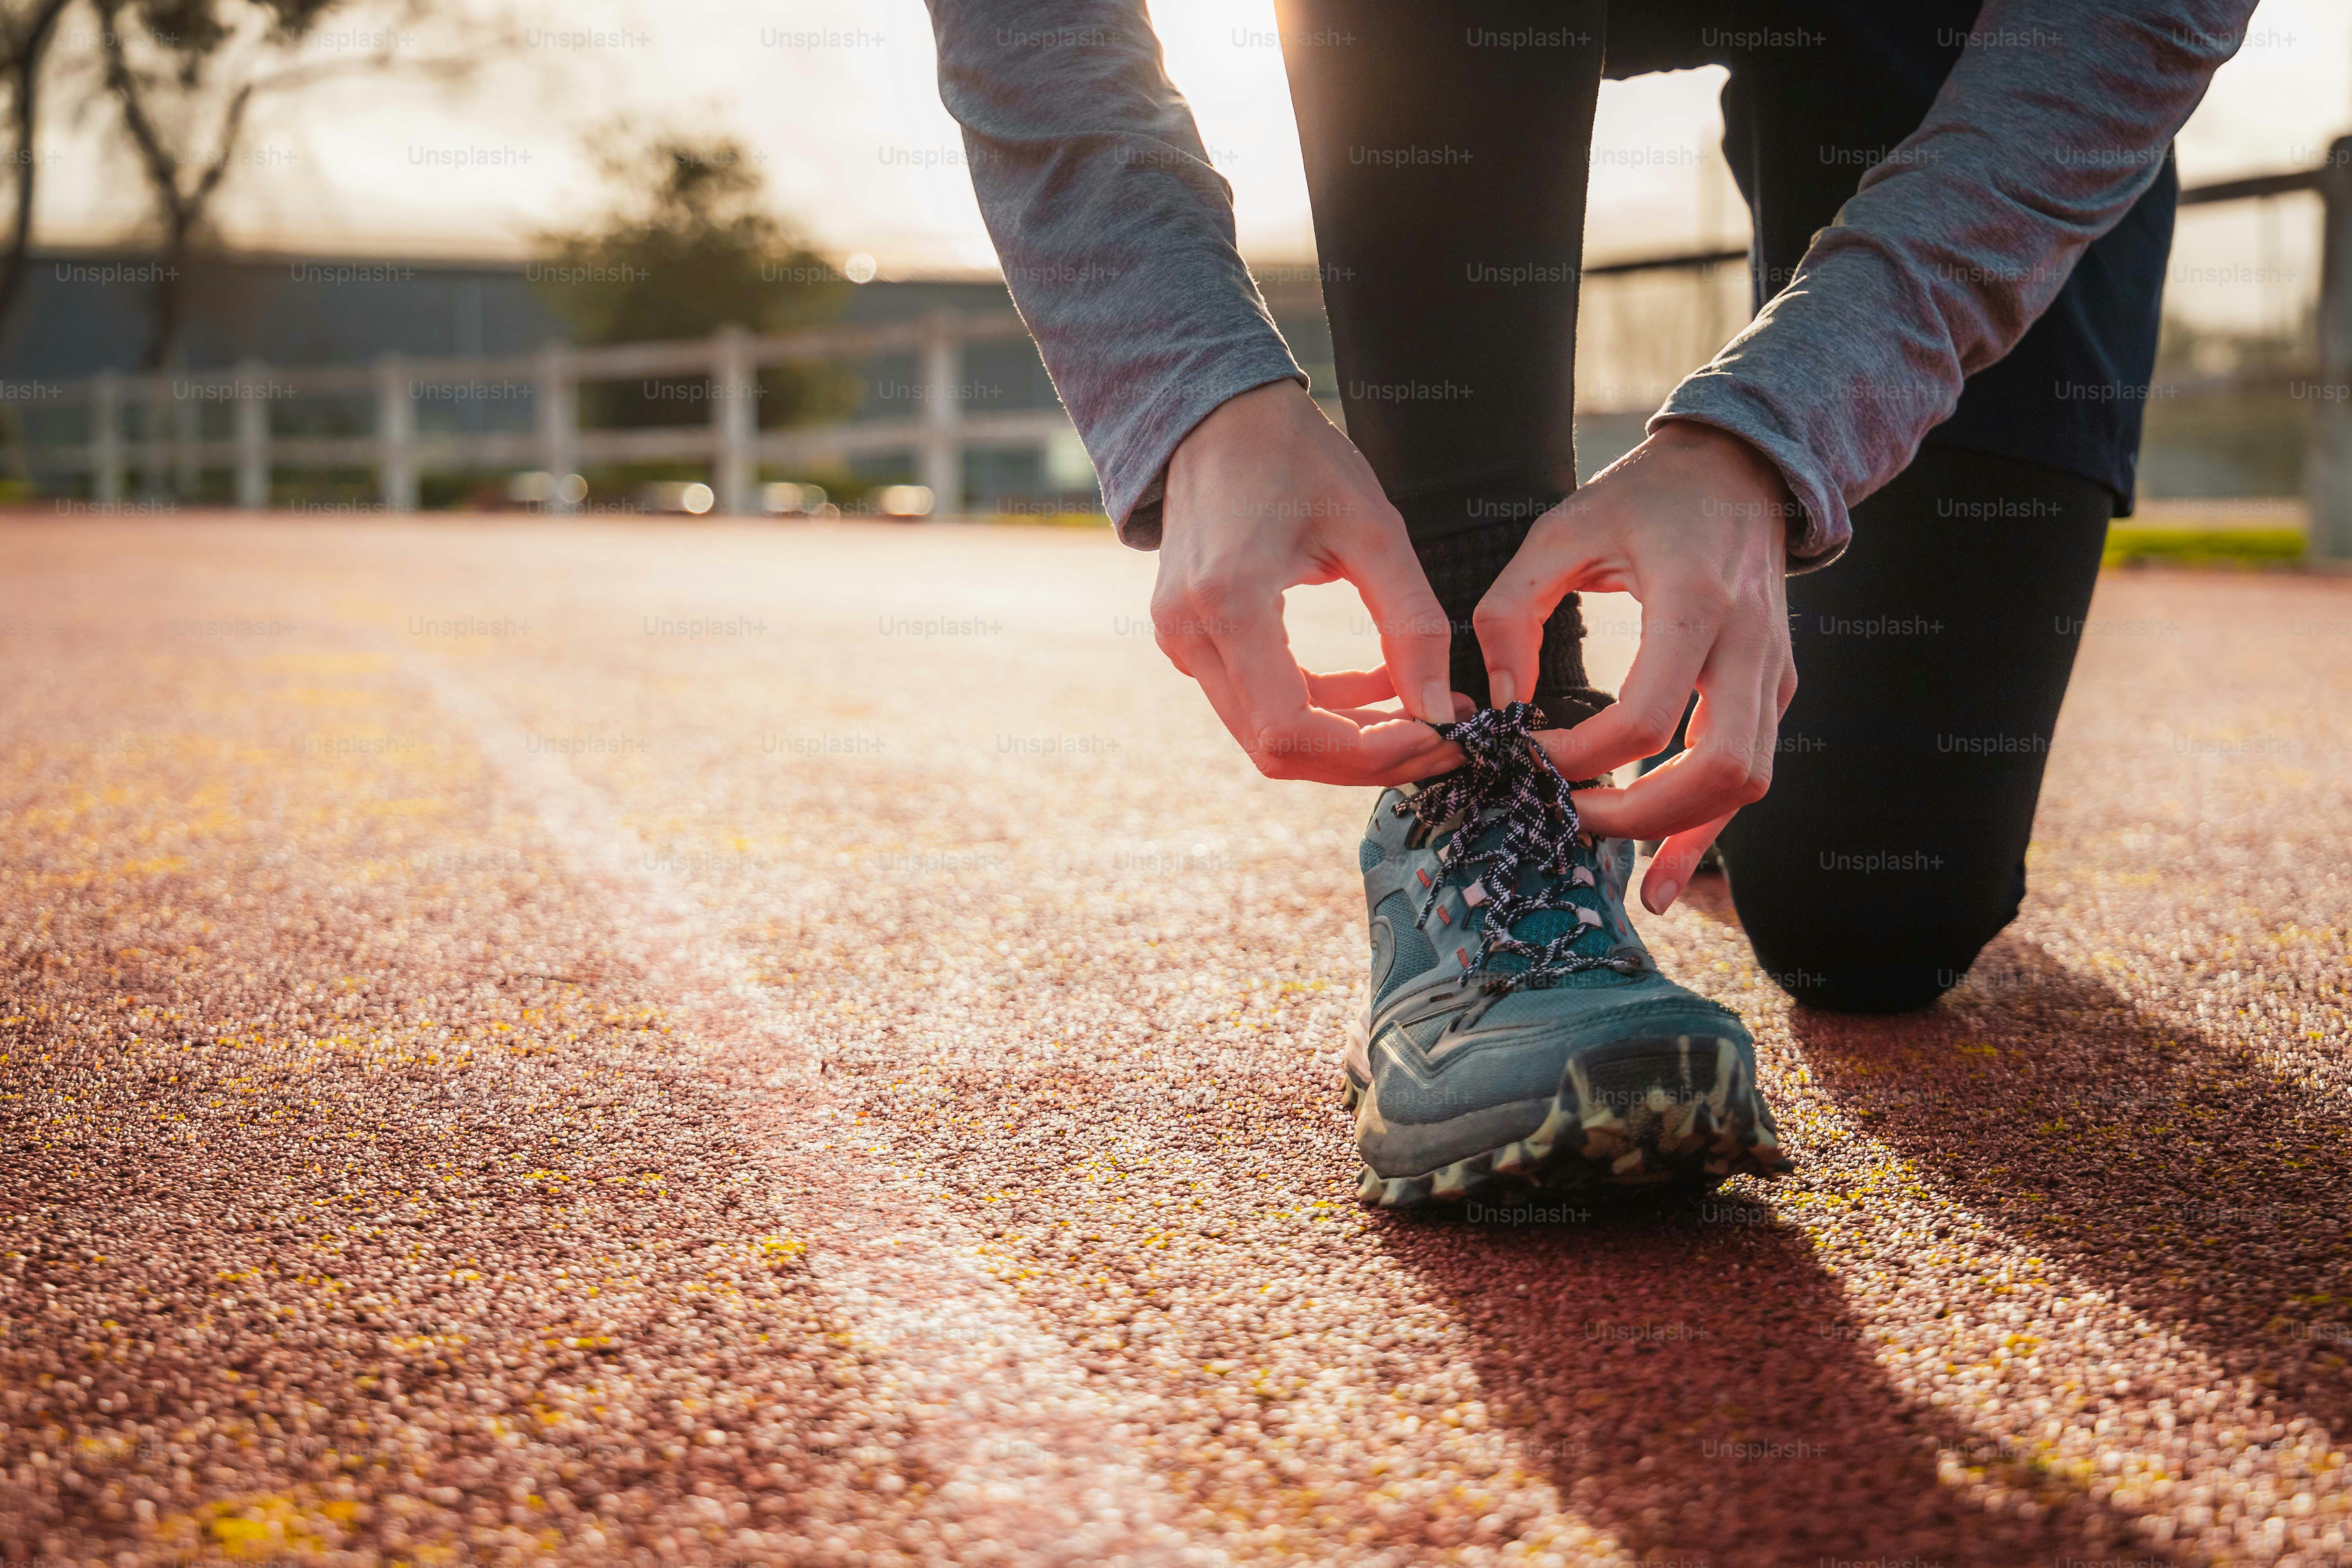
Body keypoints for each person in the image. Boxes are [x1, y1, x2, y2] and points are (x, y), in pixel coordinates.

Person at [923, 0, 2252, 1204]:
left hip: (1972, 41)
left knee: (1874, 924)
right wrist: (1191, 392)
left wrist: (1774, 442)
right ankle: (1493, 795)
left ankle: (1679, 787)